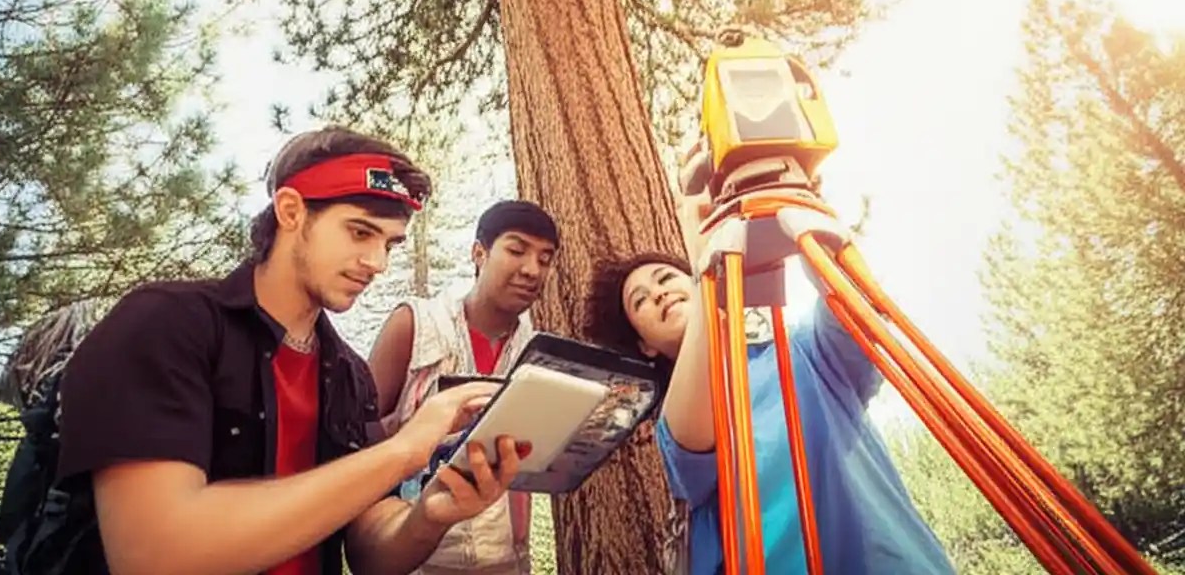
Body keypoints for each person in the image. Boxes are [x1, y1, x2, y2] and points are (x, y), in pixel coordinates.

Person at [55, 126, 525, 575]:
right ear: (291, 211)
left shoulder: (349, 376)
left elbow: (368, 554)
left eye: (390, 244)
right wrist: (404, 451)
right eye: (360, 232)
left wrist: (428, 516)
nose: (377, 263)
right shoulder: (167, 323)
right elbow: (153, 555)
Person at [584, 193, 955, 574]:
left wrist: (793, 199)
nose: (658, 292)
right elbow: (690, 433)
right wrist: (709, 267)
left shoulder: (803, 351)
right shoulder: (675, 423)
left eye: (664, 278)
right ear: (645, 345)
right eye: (640, 301)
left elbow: (853, 303)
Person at [368, 200, 561, 574]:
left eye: (545, 259)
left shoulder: (538, 354)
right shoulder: (415, 324)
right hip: (414, 558)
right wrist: (423, 427)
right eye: (517, 249)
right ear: (479, 253)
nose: (531, 269)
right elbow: (358, 438)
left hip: (508, 562)